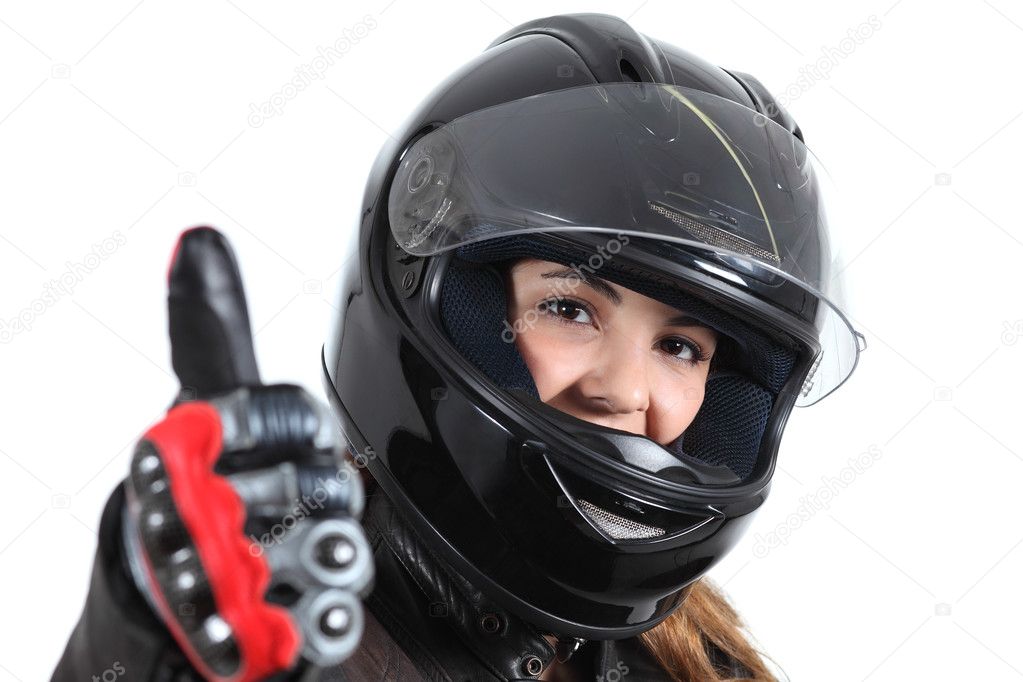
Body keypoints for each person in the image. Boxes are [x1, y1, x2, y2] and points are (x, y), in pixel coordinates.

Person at [52, 12, 864, 682]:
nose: (624, 390)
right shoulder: (294, 621)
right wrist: (143, 616)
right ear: (446, 299)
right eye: (569, 308)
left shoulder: (700, 662)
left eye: (682, 348)